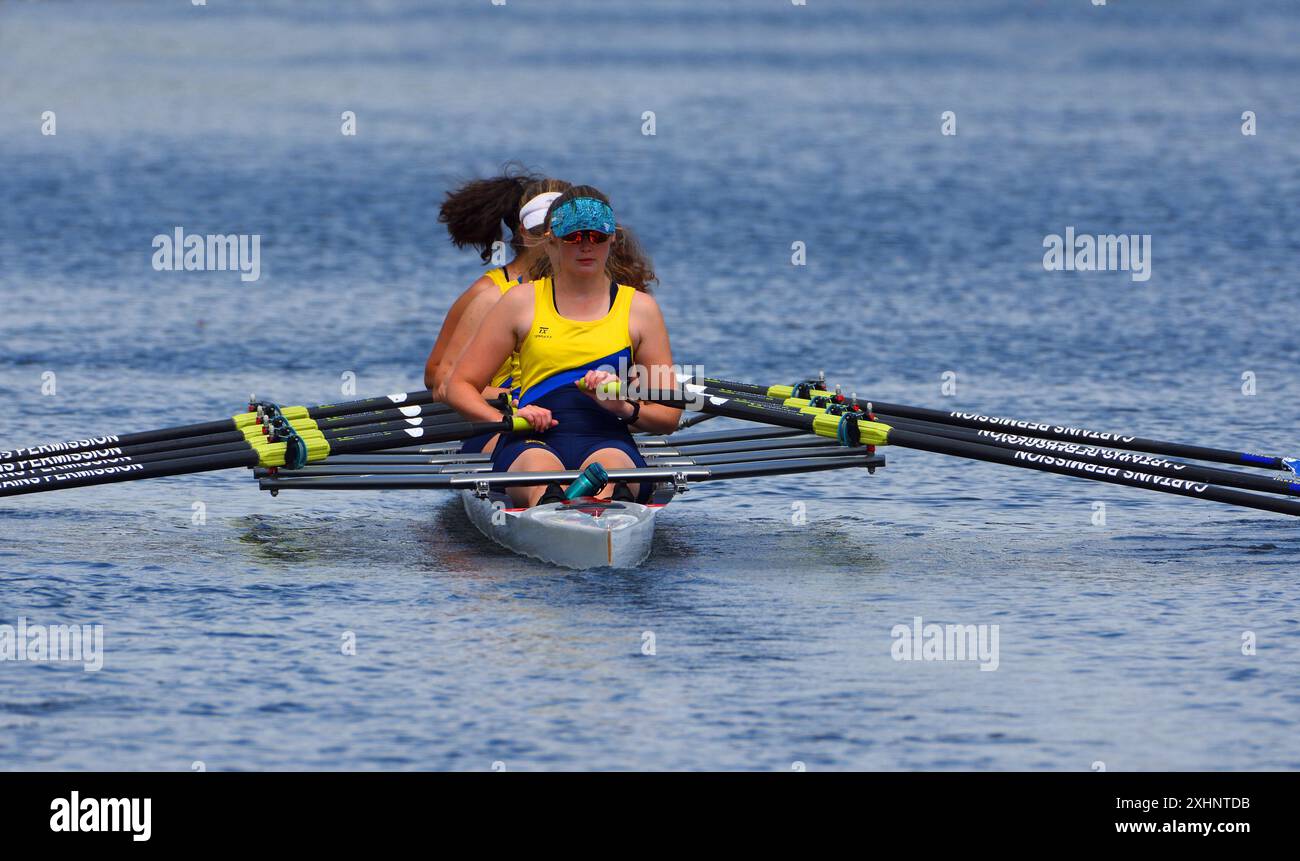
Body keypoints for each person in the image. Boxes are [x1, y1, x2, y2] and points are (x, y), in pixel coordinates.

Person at [444, 186, 681, 506]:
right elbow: (458, 386)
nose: (586, 246)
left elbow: (668, 417)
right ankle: (556, 503)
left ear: (613, 238)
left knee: (613, 483)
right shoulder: (520, 302)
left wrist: (622, 407)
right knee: (545, 484)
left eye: (596, 236)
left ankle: (593, 507)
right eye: (574, 237)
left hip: (607, 438)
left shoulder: (641, 310)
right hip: (530, 439)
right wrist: (508, 419)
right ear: (552, 240)